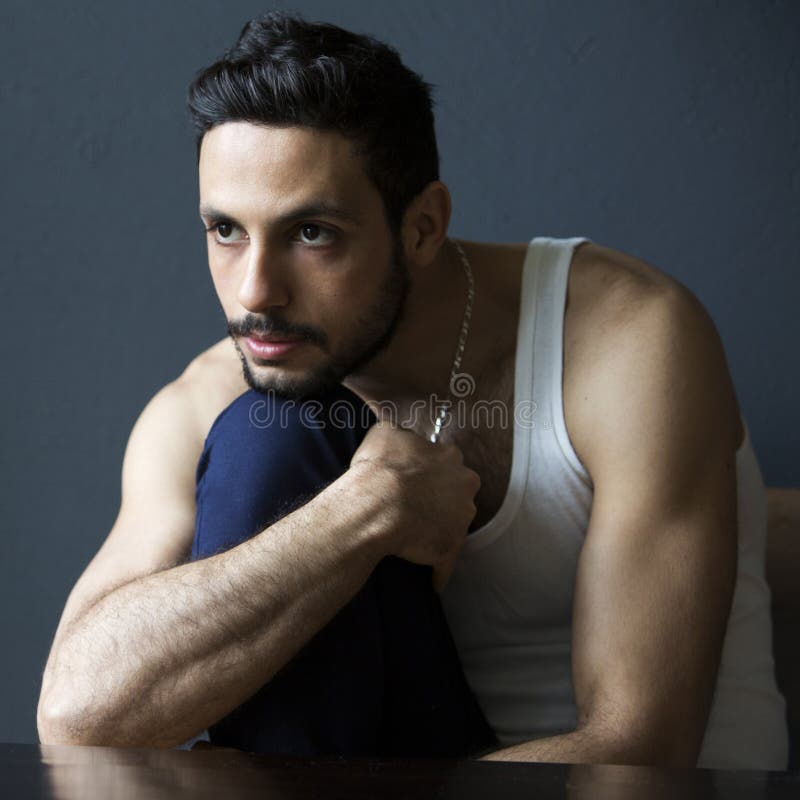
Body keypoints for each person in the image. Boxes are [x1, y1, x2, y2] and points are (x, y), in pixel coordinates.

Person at [37, 12, 787, 770]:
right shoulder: (206, 397)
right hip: (393, 775)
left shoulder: (627, 340)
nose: (255, 292)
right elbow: (76, 716)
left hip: (596, 787)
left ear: (423, 227)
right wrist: (365, 512)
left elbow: (638, 750)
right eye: (226, 231)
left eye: (311, 234)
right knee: (266, 434)